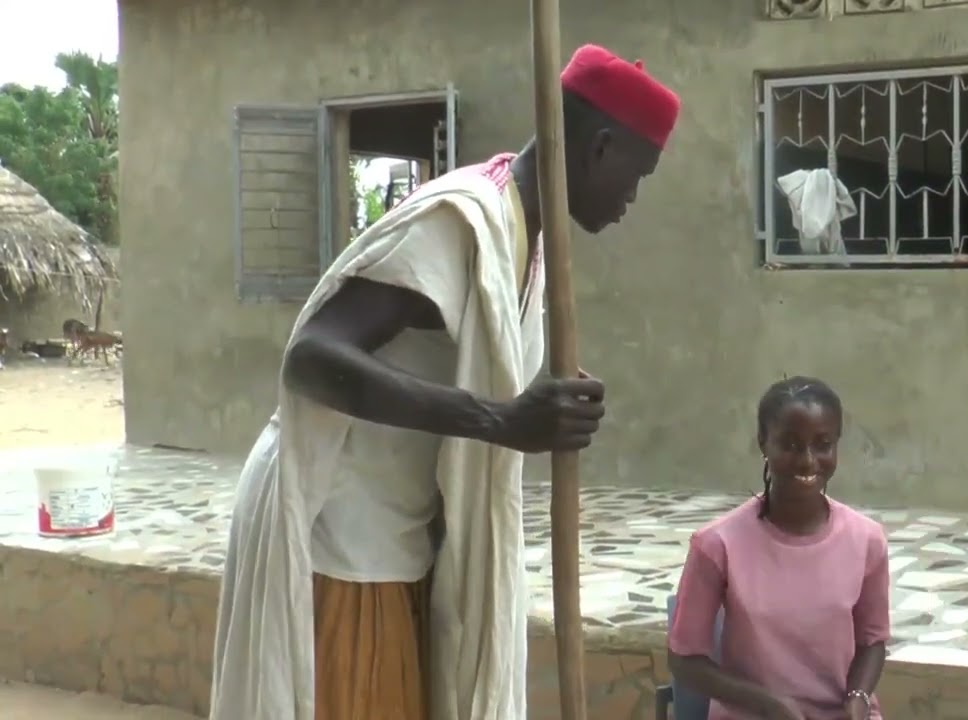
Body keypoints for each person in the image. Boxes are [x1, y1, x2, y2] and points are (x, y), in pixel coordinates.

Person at [209, 44, 681, 720]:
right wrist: (502, 419)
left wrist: (540, 399)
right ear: (601, 146)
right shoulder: (461, 220)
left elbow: (469, 363)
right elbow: (311, 358)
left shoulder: (527, 241)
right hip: (337, 529)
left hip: (401, 539)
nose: (633, 199)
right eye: (638, 176)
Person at [667, 377, 892, 720]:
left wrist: (858, 698)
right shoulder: (716, 545)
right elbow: (684, 660)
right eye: (790, 444)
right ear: (763, 443)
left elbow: (873, 640)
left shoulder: (867, 539)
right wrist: (768, 705)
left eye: (822, 444)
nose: (807, 460)